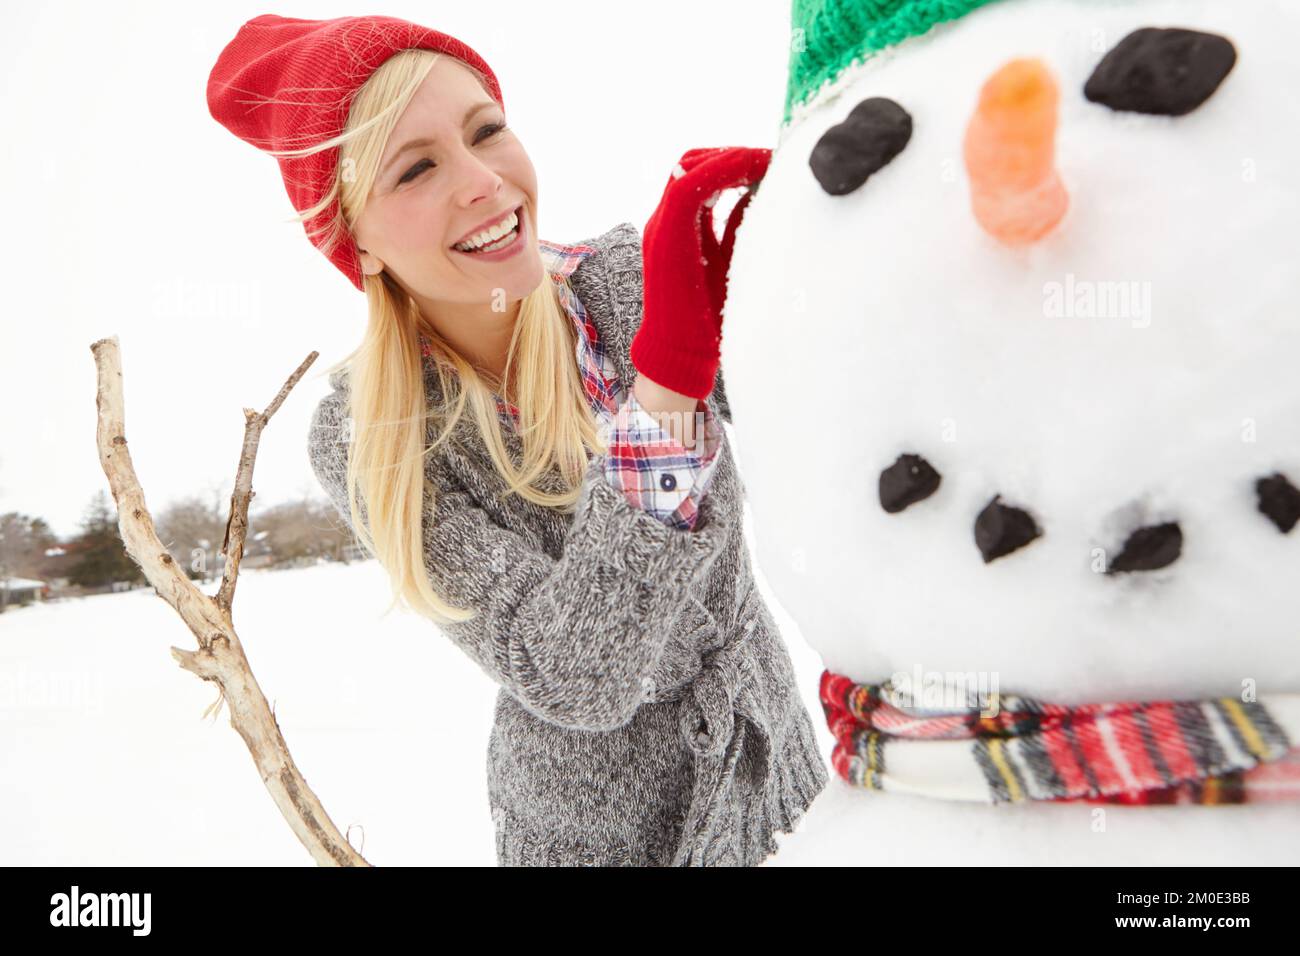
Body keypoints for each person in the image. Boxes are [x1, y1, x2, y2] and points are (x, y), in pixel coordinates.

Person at [207, 13, 827, 866]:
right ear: (360, 246)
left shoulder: (635, 281)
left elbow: (838, 406)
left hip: (774, 770)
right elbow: (573, 673)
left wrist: (818, 220)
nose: (483, 182)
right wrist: (668, 390)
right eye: (417, 168)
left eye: (486, 131)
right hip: (592, 838)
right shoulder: (370, 434)